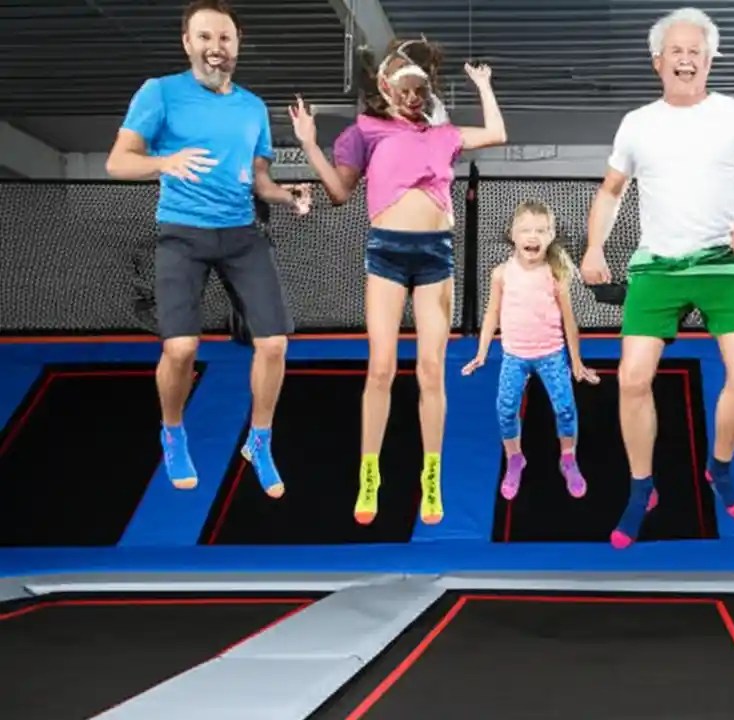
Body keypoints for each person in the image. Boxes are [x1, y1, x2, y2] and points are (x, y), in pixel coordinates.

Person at [581, 7, 734, 549]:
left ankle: (718, 466)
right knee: (632, 377)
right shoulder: (638, 122)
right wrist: (594, 246)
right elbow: (610, 191)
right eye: (675, 50)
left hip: (724, 262)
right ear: (658, 62)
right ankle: (640, 487)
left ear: (709, 59)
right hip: (657, 265)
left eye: (695, 50)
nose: (685, 58)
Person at [289, 36, 507, 526]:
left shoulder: (444, 133)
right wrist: (308, 144)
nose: (413, 98)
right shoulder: (366, 130)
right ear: (387, 89)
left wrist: (484, 86)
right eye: (405, 88)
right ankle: (371, 472)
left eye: (420, 89)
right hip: (386, 252)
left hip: (436, 256)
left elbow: (496, 133)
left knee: (431, 370)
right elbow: (341, 192)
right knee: (382, 367)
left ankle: (431, 476)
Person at [105, 0, 311, 499]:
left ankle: (259, 441)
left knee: (275, 343)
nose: (215, 48)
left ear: (237, 44)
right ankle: (172, 431)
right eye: (205, 38)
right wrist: (165, 161)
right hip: (181, 233)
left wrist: (288, 196)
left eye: (225, 39)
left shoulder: (252, 107)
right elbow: (117, 162)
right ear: (187, 43)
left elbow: (259, 179)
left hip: (241, 234)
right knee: (180, 349)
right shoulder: (161, 93)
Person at [462, 201, 601, 500]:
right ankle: (515, 458)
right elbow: (491, 314)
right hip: (514, 356)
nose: (532, 236)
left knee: (565, 408)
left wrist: (576, 360)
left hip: (551, 354)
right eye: (525, 230)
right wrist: (482, 352)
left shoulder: (554, 272)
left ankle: (568, 458)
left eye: (541, 230)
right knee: (505, 409)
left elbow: (569, 319)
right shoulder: (501, 274)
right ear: (513, 234)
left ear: (551, 235)